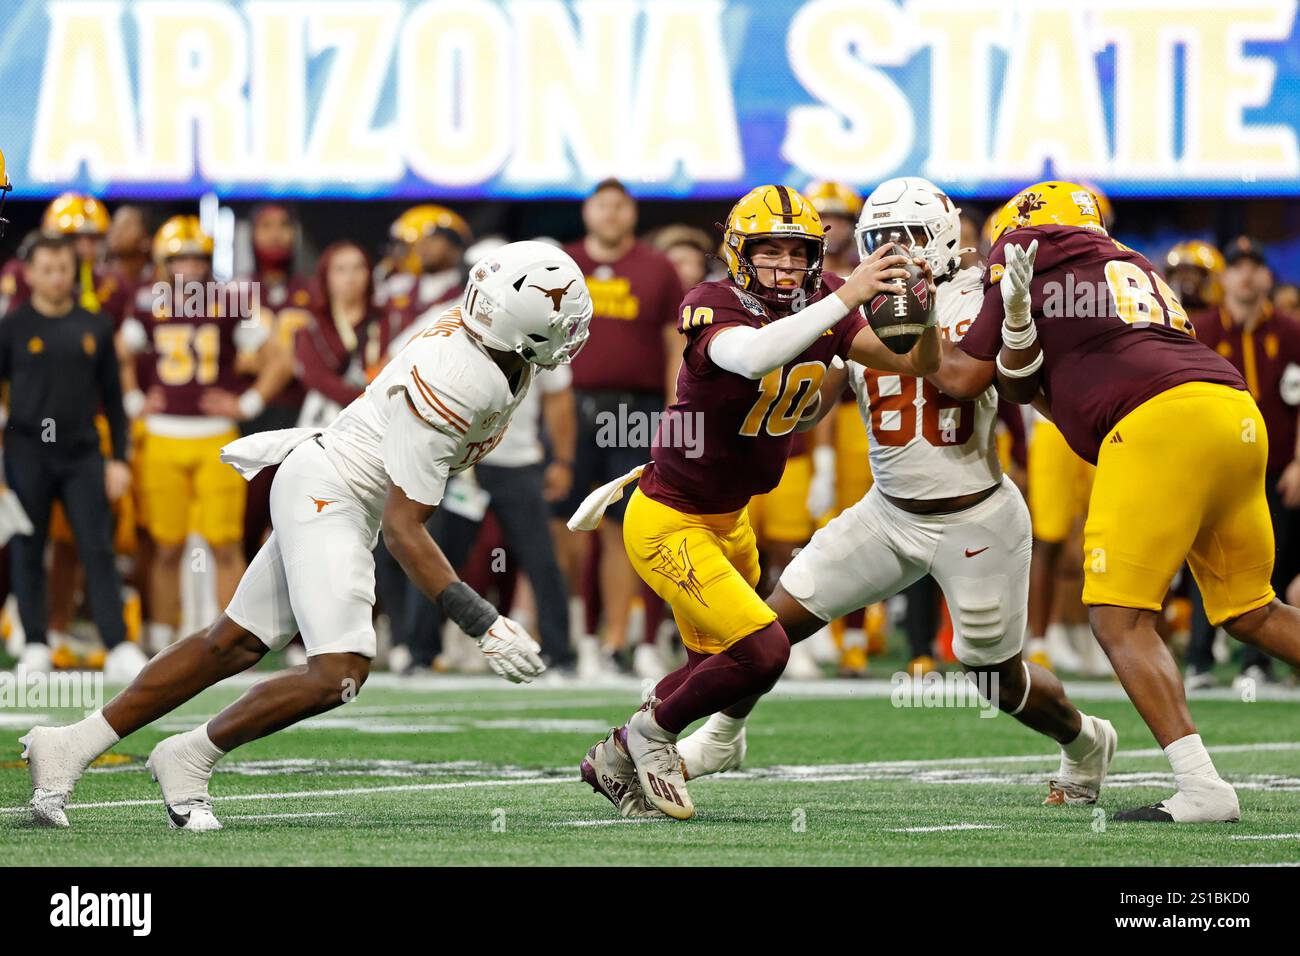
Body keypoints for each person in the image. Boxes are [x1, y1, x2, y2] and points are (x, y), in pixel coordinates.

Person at [20, 241, 593, 831]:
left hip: (333, 481)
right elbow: (402, 529)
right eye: (562, 317)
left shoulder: (493, 349)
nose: (574, 329)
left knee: (235, 644)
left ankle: (69, 745)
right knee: (338, 671)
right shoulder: (465, 377)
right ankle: (188, 757)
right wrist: (482, 621)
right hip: (334, 492)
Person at [677, 176, 1115, 805]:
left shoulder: (976, 297)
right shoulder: (851, 302)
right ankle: (723, 734)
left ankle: (1085, 741)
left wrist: (917, 318)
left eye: (908, 236)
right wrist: (783, 361)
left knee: (995, 679)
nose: (895, 250)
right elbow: (813, 407)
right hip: (887, 513)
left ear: (941, 237)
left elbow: (963, 381)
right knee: (767, 627)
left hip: (976, 518)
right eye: (882, 237)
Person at [574, 184, 938, 820]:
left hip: (730, 519)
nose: (786, 267)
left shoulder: (822, 297)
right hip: (670, 516)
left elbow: (909, 363)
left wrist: (921, 313)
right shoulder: (710, 302)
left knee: (721, 667)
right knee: (765, 651)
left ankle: (615, 751)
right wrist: (849, 296)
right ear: (737, 253)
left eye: (798, 253)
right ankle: (647, 737)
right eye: (769, 252)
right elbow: (752, 356)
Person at [943, 181, 1300, 822]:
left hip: (1159, 423)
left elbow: (968, 376)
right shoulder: (1132, 265)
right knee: (1253, 609)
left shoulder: (1028, 243)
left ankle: (1202, 788)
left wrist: (894, 332)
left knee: (1118, 620)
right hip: (1234, 412)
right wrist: (1018, 327)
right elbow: (1031, 386)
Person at [118, 216, 292, 652]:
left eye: (197, 259)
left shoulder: (230, 300)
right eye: (180, 259)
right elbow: (118, 355)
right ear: (162, 263)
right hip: (161, 435)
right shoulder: (147, 302)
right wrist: (134, 402)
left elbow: (280, 358)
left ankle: (229, 643)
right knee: (166, 546)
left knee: (225, 544)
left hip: (217, 435)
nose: (190, 269)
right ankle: (158, 643)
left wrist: (247, 403)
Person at [555, 179, 685, 678]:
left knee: (620, 528)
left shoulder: (657, 266)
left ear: (631, 214)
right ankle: (572, 634)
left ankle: (613, 641)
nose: (610, 214)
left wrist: (676, 405)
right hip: (567, 402)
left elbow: (673, 340)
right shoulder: (563, 264)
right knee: (563, 524)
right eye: (602, 205)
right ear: (588, 211)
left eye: (619, 206)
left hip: (633, 408)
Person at [0, 236, 142, 680]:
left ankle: (118, 643)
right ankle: (36, 643)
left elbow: (114, 401)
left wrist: (118, 459)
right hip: (26, 452)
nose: (57, 277)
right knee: (28, 548)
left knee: (97, 547)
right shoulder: (12, 327)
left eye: (64, 268)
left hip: (83, 453)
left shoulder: (96, 326)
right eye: (47, 268)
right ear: (30, 273)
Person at [1183, 237, 1300, 689]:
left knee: (1267, 564)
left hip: (1273, 468)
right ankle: (1198, 660)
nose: (1246, 274)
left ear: (1267, 276)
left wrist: (1297, 464)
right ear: (1225, 276)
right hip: (1215, 468)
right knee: (1203, 561)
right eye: (1237, 266)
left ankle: (1257, 664)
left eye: (1254, 265)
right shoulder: (1202, 329)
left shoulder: (1290, 333)